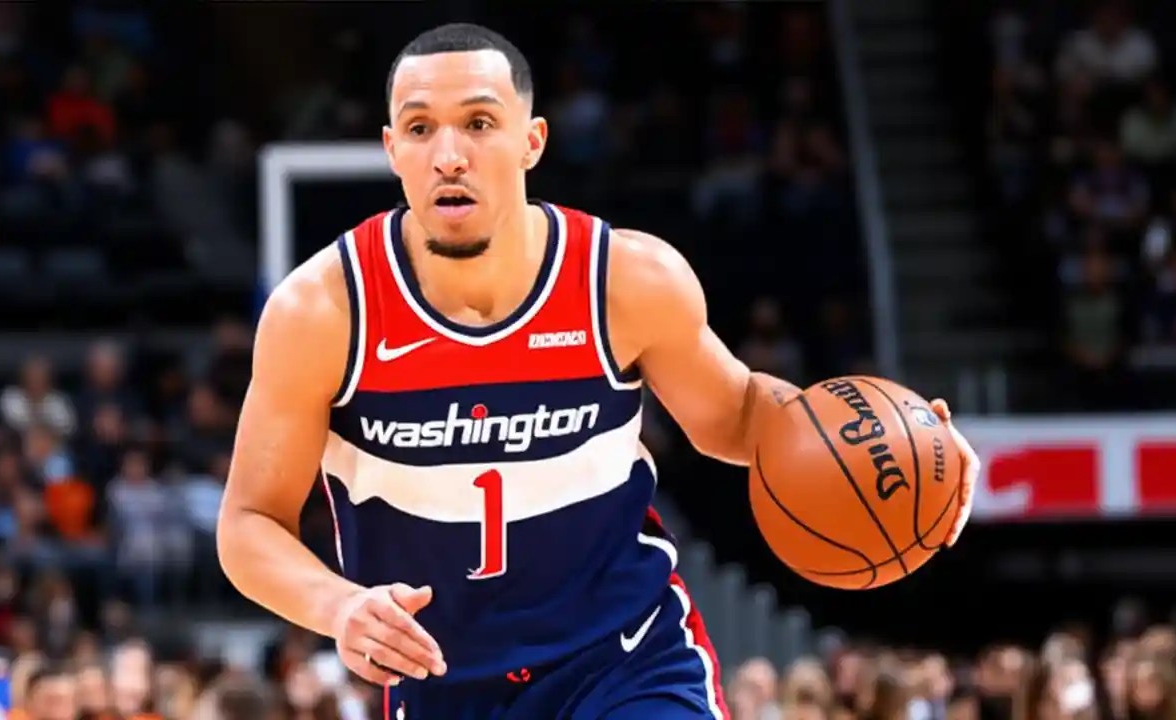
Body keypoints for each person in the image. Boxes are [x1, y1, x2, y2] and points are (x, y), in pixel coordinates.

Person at [217, 22, 980, 720]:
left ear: (532, 141)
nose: (449, 153)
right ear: (392, 149)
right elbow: (249, 523)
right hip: (446, 683)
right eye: (421, 129)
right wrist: (336, 605)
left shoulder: (623, 280)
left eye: (479, 123)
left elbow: (743, 415)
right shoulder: (322, 312)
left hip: (626, 660)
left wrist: (899, 442)